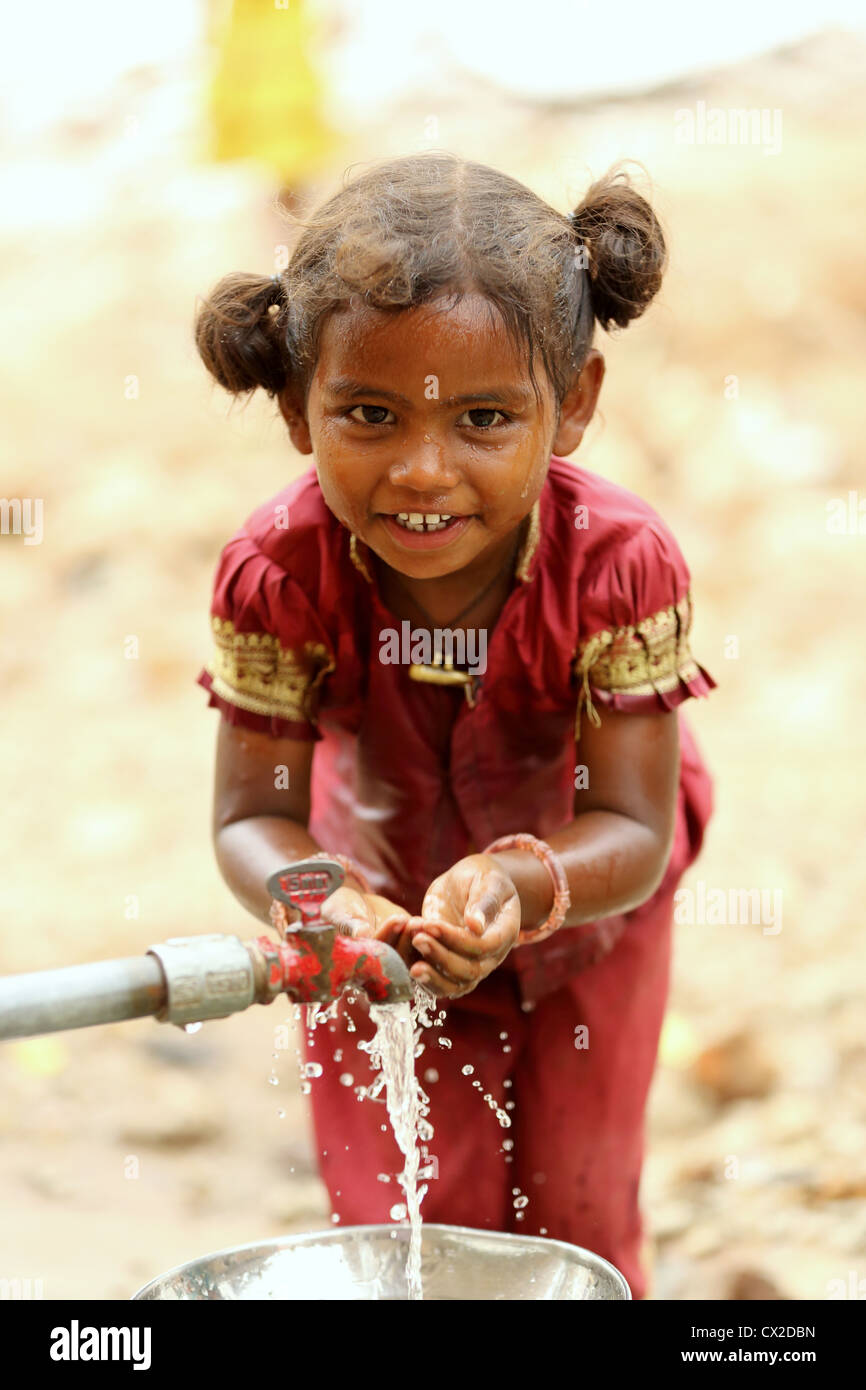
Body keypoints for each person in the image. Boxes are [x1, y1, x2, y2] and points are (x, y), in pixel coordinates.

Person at [193, 151, 716, 1300]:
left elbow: (629, 819)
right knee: (403, 1228)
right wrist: (324, 901)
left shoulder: (619, 567)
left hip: (585, 924)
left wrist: (517, 888)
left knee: (574, 1214)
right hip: (367, 929)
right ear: (295, 409)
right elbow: (249, 820)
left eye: (485, 418)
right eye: (368, 415)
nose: (423, 471)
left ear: (570, 404)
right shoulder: (278, 572)